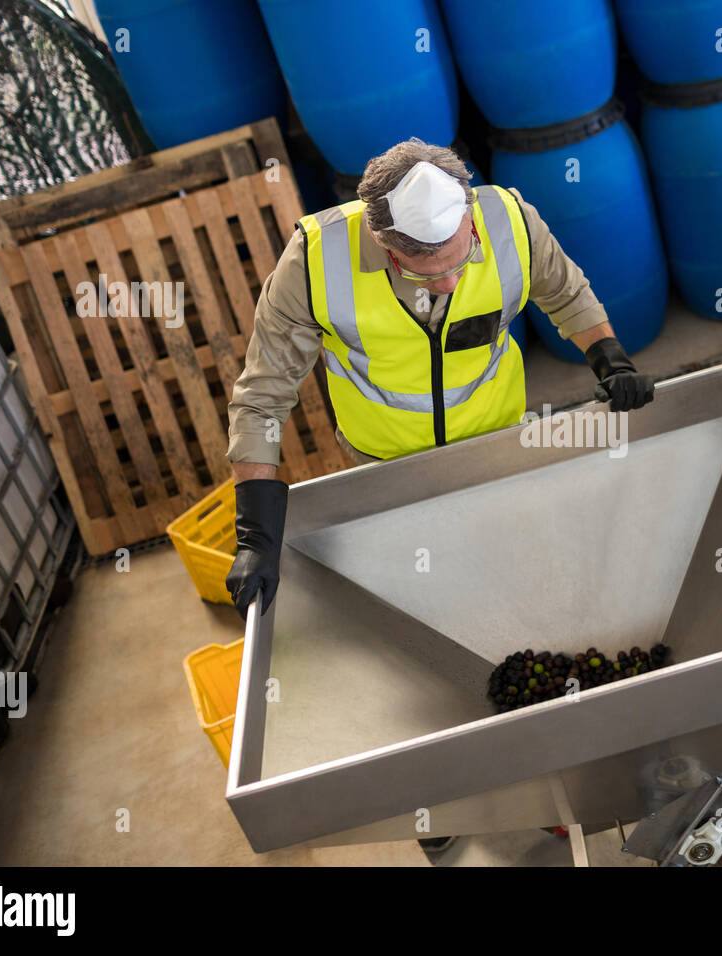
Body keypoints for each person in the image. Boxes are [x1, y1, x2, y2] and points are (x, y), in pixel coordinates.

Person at [222, 139, 655, 856]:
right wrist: (256, 534)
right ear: (383, 244)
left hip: (499, 456)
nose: (452, 281)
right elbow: (264, 394)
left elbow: (563, 290)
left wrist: (608, 357)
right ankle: (441, 798)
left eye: (461, 259)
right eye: (429, 267)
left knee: (522, 609)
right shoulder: (318, 261)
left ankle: (551, 775)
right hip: (384, 474)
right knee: (420, 638)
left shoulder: (510, 222)